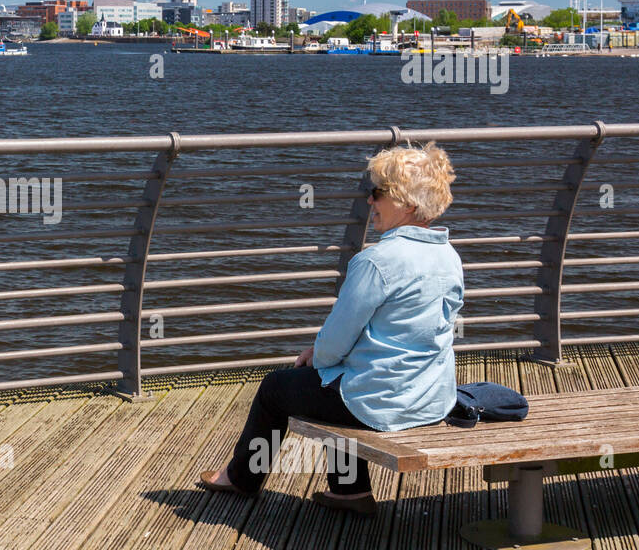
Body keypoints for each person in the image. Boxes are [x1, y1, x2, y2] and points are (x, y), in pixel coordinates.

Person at [198, 141, 463, 516]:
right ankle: (348, 491)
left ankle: (240, 478)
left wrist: (315, 355)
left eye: (377, 193)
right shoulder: (449, 257)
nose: (370, 202)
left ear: (405, 202)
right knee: (335, 378)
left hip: (382, 405)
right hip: (432, 399)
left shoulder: (376, 261)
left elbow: (335, 341)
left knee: (279, 387)